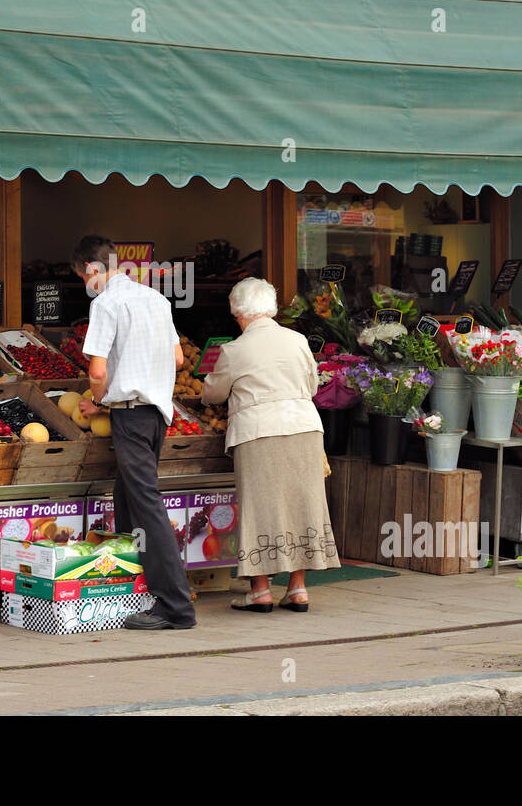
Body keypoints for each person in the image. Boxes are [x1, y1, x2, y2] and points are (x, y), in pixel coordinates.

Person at [72, 235, 196, 630]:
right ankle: (130, 588)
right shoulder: (156, 299)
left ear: (92, 270)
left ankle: (176, 607)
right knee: (128, 499)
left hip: (129, 415)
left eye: (82, 277)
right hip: (158, 415)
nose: (85, 285)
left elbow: (96, 371)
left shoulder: (105, 303)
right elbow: (177, 359)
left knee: (146, 505)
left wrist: (99, 400)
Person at [200, 277, 341, 612]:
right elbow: (311, 384)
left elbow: (213, 393)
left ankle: (260, 591)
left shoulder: (234, 350)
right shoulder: (297, 340)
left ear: (238, 313)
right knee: (302, 503)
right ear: (271, 309)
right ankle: (298, 588)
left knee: (260, 507)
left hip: (258, 433)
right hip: (304, 428)